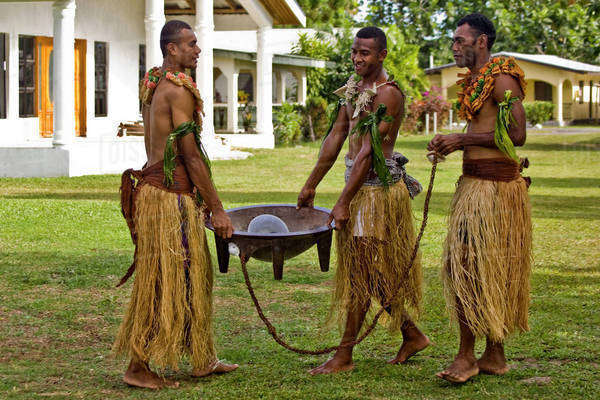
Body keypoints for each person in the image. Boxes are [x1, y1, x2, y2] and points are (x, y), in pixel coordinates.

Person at [297, 26, 429, 375]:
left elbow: (368, 153)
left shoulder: (389, 95)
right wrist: (311, 185)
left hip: (377, 192)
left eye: (365, 53)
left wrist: (342, 202)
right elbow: (337, 137)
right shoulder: (354, 88)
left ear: (381, 55)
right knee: (364, 271)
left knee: (361, 271)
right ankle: (411, 333)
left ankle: (344, 355)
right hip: (357, 189)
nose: (357, 58)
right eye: (354, 51)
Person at [113, 20, 238, 389]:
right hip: (169, 199)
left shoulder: (153, 84)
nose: (197, 50)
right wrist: (216, 208)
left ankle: (201, 358)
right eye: (191, 44)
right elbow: (191, 156)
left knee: (190, 275)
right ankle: (138, 365)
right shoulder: (177, 91)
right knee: (162, 282)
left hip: (158, 193)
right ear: (172, 49)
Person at [428, 13, 532, 383]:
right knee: (483, 269)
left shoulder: (502, 77)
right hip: (476, 187)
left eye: (460, 40)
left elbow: (516, 135)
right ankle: (494, 353)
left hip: (494, 191)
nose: (454, 47)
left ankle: (466, 357)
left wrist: (462, 140)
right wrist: (451, 145)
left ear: (482, 41)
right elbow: (489, 129)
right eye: (454, 41)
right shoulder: (477, 81)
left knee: (469, 268)